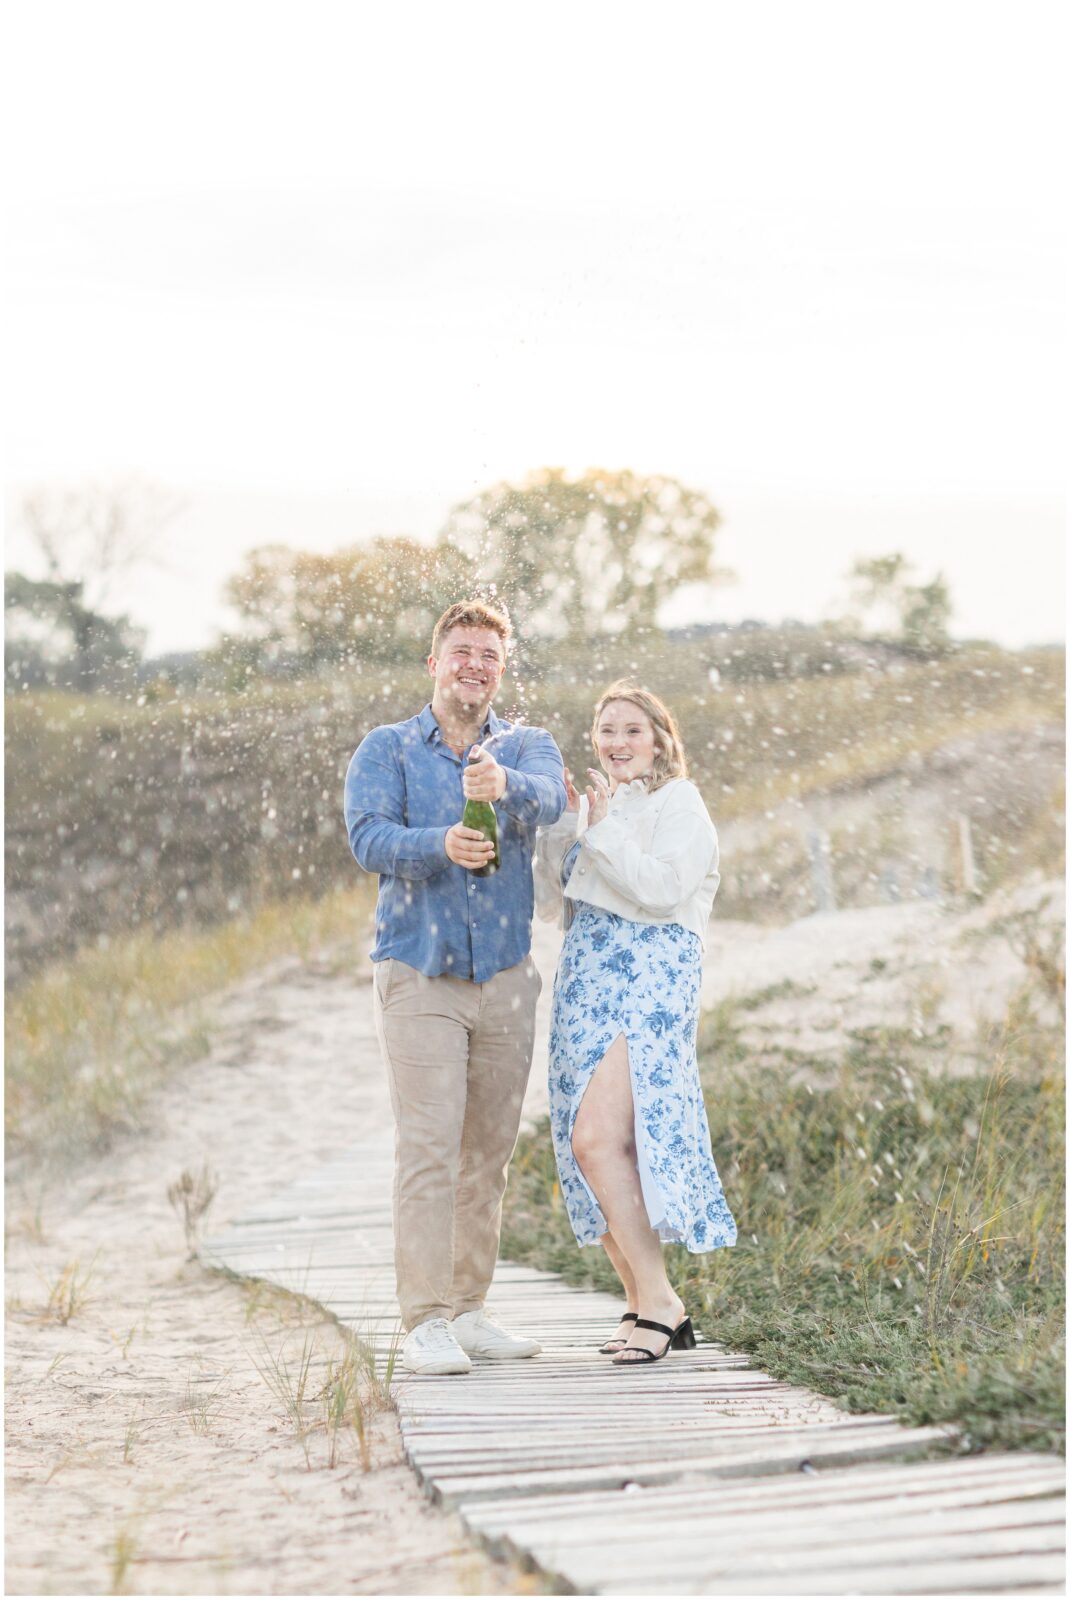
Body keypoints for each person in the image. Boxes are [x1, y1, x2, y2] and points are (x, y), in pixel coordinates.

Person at [344, 600, 568, 1375]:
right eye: (462, 651)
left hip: (506, 975)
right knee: (429, 1147)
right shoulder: (390, 748)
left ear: (501, 671)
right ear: (433, 662)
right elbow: (367, 838)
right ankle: (424, 1320)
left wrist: (503, 784)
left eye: (490, 656)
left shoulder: (526, 746)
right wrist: (438, 845)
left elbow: (554, 799)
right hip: (420, 970)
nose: (475, 665)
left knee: (488, 1155)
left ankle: (470, 1310)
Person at [535, 680, 736, 1366]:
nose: (617, 743)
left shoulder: (681, 804)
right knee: (587, 1147)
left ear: (659, 739)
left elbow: (658, 890)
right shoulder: (603, 806)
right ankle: (637, 1297)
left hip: (647, 977)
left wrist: (601, 830)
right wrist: (565, 824)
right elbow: (552, 899)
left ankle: (663, 1300)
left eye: (631, 730)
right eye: (607, 730)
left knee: (602, 1138)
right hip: (585, 976)